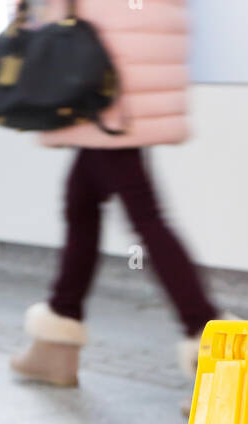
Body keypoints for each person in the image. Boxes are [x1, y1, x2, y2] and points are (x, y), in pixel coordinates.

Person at [11, 0, 218, 388]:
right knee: (82, 203)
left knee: (145, 217)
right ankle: (56, 338)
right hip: (125, 71)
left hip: (103, 78)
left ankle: (213, 348)